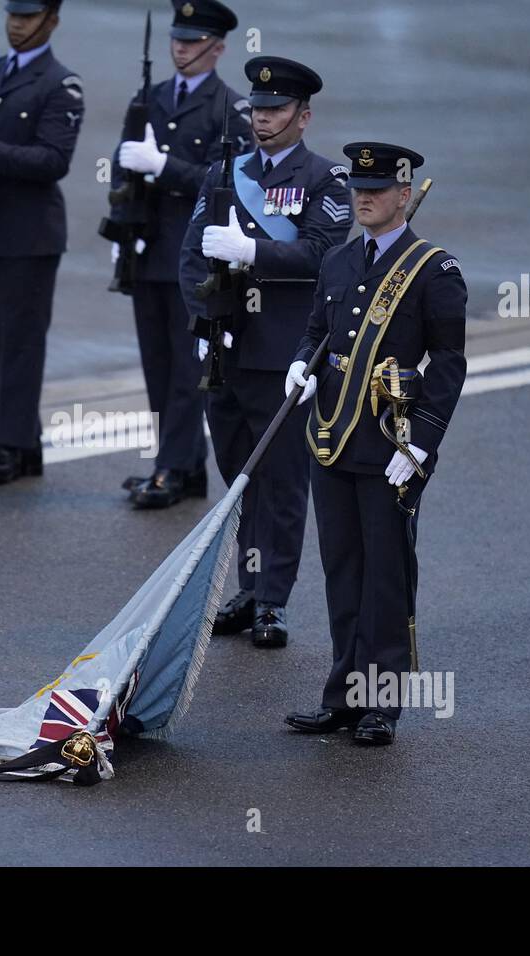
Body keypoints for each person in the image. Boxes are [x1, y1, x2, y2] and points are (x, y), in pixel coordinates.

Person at [284, 142, 467, 746]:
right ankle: (341, 696)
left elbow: (447, 364)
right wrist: (300, 366)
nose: (365, 198)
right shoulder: (338, 261)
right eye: (359, 189)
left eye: (379, 190)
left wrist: (421, 447)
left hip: (392, 445)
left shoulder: (433, 271)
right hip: (333, 440)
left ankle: (379, 703)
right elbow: (319, 331)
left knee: (386, 575)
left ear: (405, 196)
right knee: (342, 572)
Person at [179, 55, 351, 647]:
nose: (263, 118)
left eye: (277, 109)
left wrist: (252, 252)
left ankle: (272, 600)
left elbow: (324, 254)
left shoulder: (327, 180)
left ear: (303, 117)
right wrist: (205, 321)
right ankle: (249, 587)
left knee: (279, 482)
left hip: (282, 356)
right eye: (258, 108)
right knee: (237, 477)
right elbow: (192, 255)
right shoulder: (225, 171)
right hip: (227, 349)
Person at [110, 0, 249, 510]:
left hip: (193, 255)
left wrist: (162, 166)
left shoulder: (229, 109)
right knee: (156, 361)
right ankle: (182, 466)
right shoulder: (148, 97)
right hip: (146, 249)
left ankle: (172, 468)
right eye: (177, 40)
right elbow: (123, 168)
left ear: (217, 47)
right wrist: (120, 233)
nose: (180, 49)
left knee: (187, 369)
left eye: (191, 42)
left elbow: (224, 184)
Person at [0, 0, 83, 485]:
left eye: (26, 18)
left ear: (51, 21)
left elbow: (53, 160)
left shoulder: (61, 84)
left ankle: (11, 447)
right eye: (12, 16)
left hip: (29, 234)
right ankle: (16, 443)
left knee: (20, 344)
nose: (16, 25)